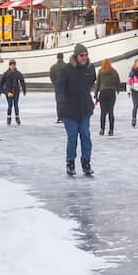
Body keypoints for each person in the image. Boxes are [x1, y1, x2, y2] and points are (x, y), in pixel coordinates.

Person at [56, 44, 97, 176]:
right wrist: (61, 104)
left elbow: (92, 83)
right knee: (72, 137)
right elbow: (60, 88)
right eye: (81, 55)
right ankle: (70, 163)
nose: (84, 58)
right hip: (69, 110)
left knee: (86, 136)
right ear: (76, 56)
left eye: (86, 55)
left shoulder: (90, 69)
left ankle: (86, 162)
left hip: (84, 109)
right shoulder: (66, 70)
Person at [95, 58, 120, 135]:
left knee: (103, 112)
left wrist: (96, 93)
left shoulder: (100, 72)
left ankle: (102, 129)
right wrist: (118, 89)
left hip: (103, 92)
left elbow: (97, 83)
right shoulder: (114, 72)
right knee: (111, 112)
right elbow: (117, 81)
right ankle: (111, 130)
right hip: (111, 92)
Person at [0, 60, 27, 126]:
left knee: (16, 105)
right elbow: (1, 83)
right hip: (9, 92)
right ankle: (9, 118)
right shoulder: (6, 73)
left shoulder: (18, 73)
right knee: (10, 105)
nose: (13, 66)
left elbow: (22, 81)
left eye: (14, 65)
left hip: (16, 91)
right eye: (11, 65)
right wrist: (1, 91)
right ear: (9, 66)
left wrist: (24, 90)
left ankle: (17, 117)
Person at [50, 53, 67, 124]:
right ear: (63, 58)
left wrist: (55, 83)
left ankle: (59, 117)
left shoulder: (53, 67)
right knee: (66, 102)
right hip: (66, 86)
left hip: (57, 86)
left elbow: (51, 77)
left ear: (57, 58)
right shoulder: (67, 66)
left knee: (59, 102)